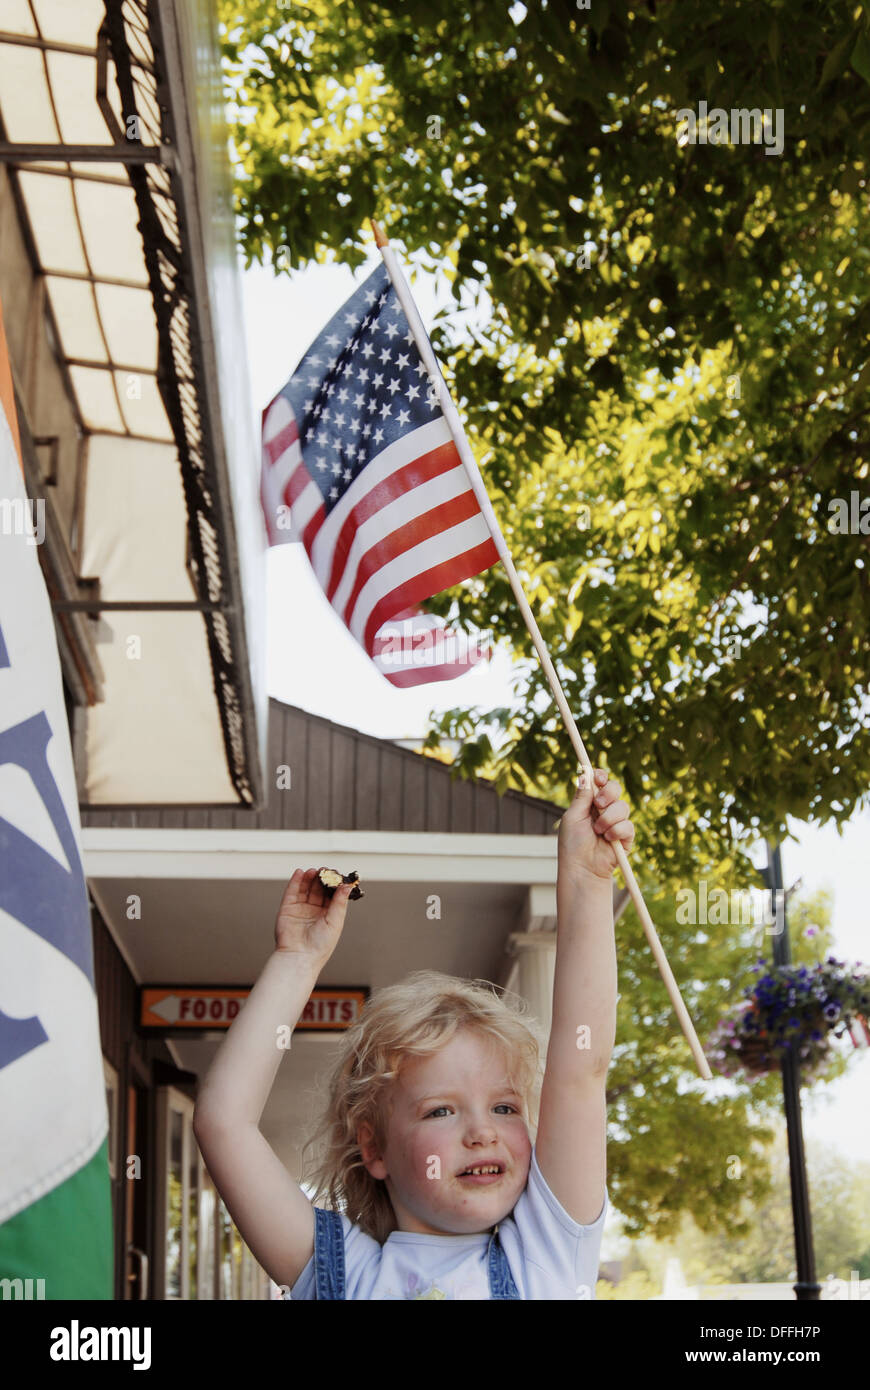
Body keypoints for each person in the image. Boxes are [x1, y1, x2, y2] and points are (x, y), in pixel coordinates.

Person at [193, 767, 634, 1300]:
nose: (482, 1133)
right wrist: (297, 959)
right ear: (374, 1147)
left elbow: (579, 1070)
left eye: (505, 1107)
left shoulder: (547, 1253)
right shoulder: (340, 1272)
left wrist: (586, 880)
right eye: (440, 1111)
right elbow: (223, 1124)